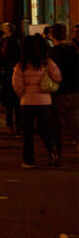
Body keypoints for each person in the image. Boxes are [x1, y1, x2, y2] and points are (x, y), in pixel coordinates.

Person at [12, 34, 61, 168]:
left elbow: (17, 85)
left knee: (28, 132)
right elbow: (57, 77)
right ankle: (52, 149)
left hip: (27, 102)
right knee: (45, 128)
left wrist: (23, 95)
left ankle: (29, 160)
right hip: (45, 101)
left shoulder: (21, 66)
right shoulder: (47, 63)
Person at [49, 23, 79, 156]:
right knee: (74, 122)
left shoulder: (51, 53)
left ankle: (57, 151)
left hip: (58, 91)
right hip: (73, 90)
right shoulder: (73, 51)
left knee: (56, 124)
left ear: (51, 35)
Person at [0, 23, 22, 134]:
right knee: (12, 102)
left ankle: (13, 125)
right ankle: (13, 125)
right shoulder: (5, 40)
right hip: (8, 72)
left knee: (12, 102)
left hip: (10, 72)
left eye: (4, 28)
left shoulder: (11, 41)